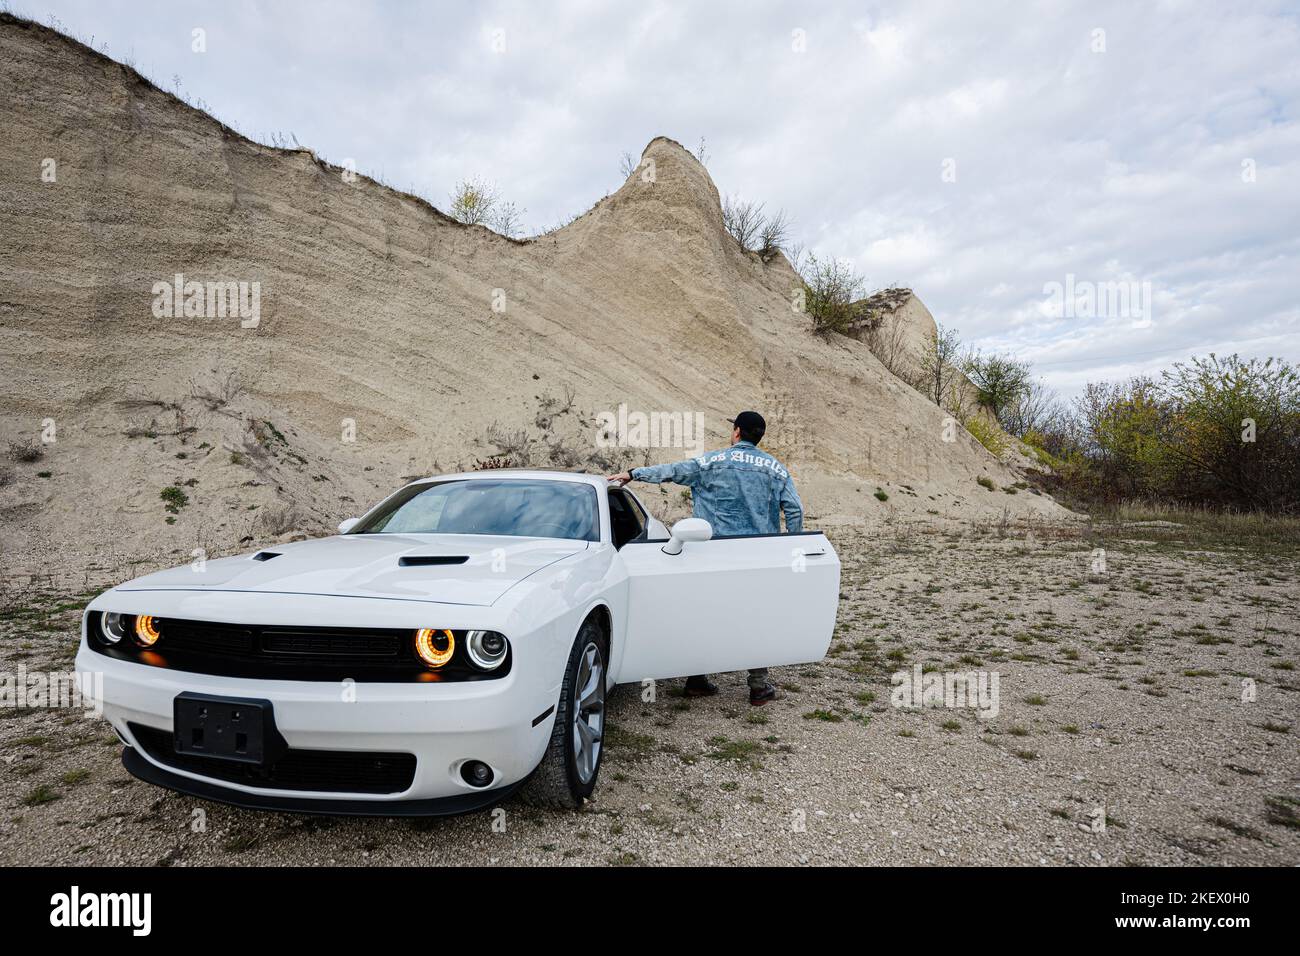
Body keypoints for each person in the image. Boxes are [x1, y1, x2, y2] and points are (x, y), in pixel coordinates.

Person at [607, 410, 803, 706]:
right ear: (757, 436)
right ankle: (759, 686)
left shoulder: (712, 461)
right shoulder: (775, 469)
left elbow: (672, 471)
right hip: (758, 555)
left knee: (707, 613)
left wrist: (634, 474)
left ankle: (697, 679)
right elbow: (794, 509)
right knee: (755, 616)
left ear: (737, 432)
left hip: (711, 553)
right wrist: (791, 544)